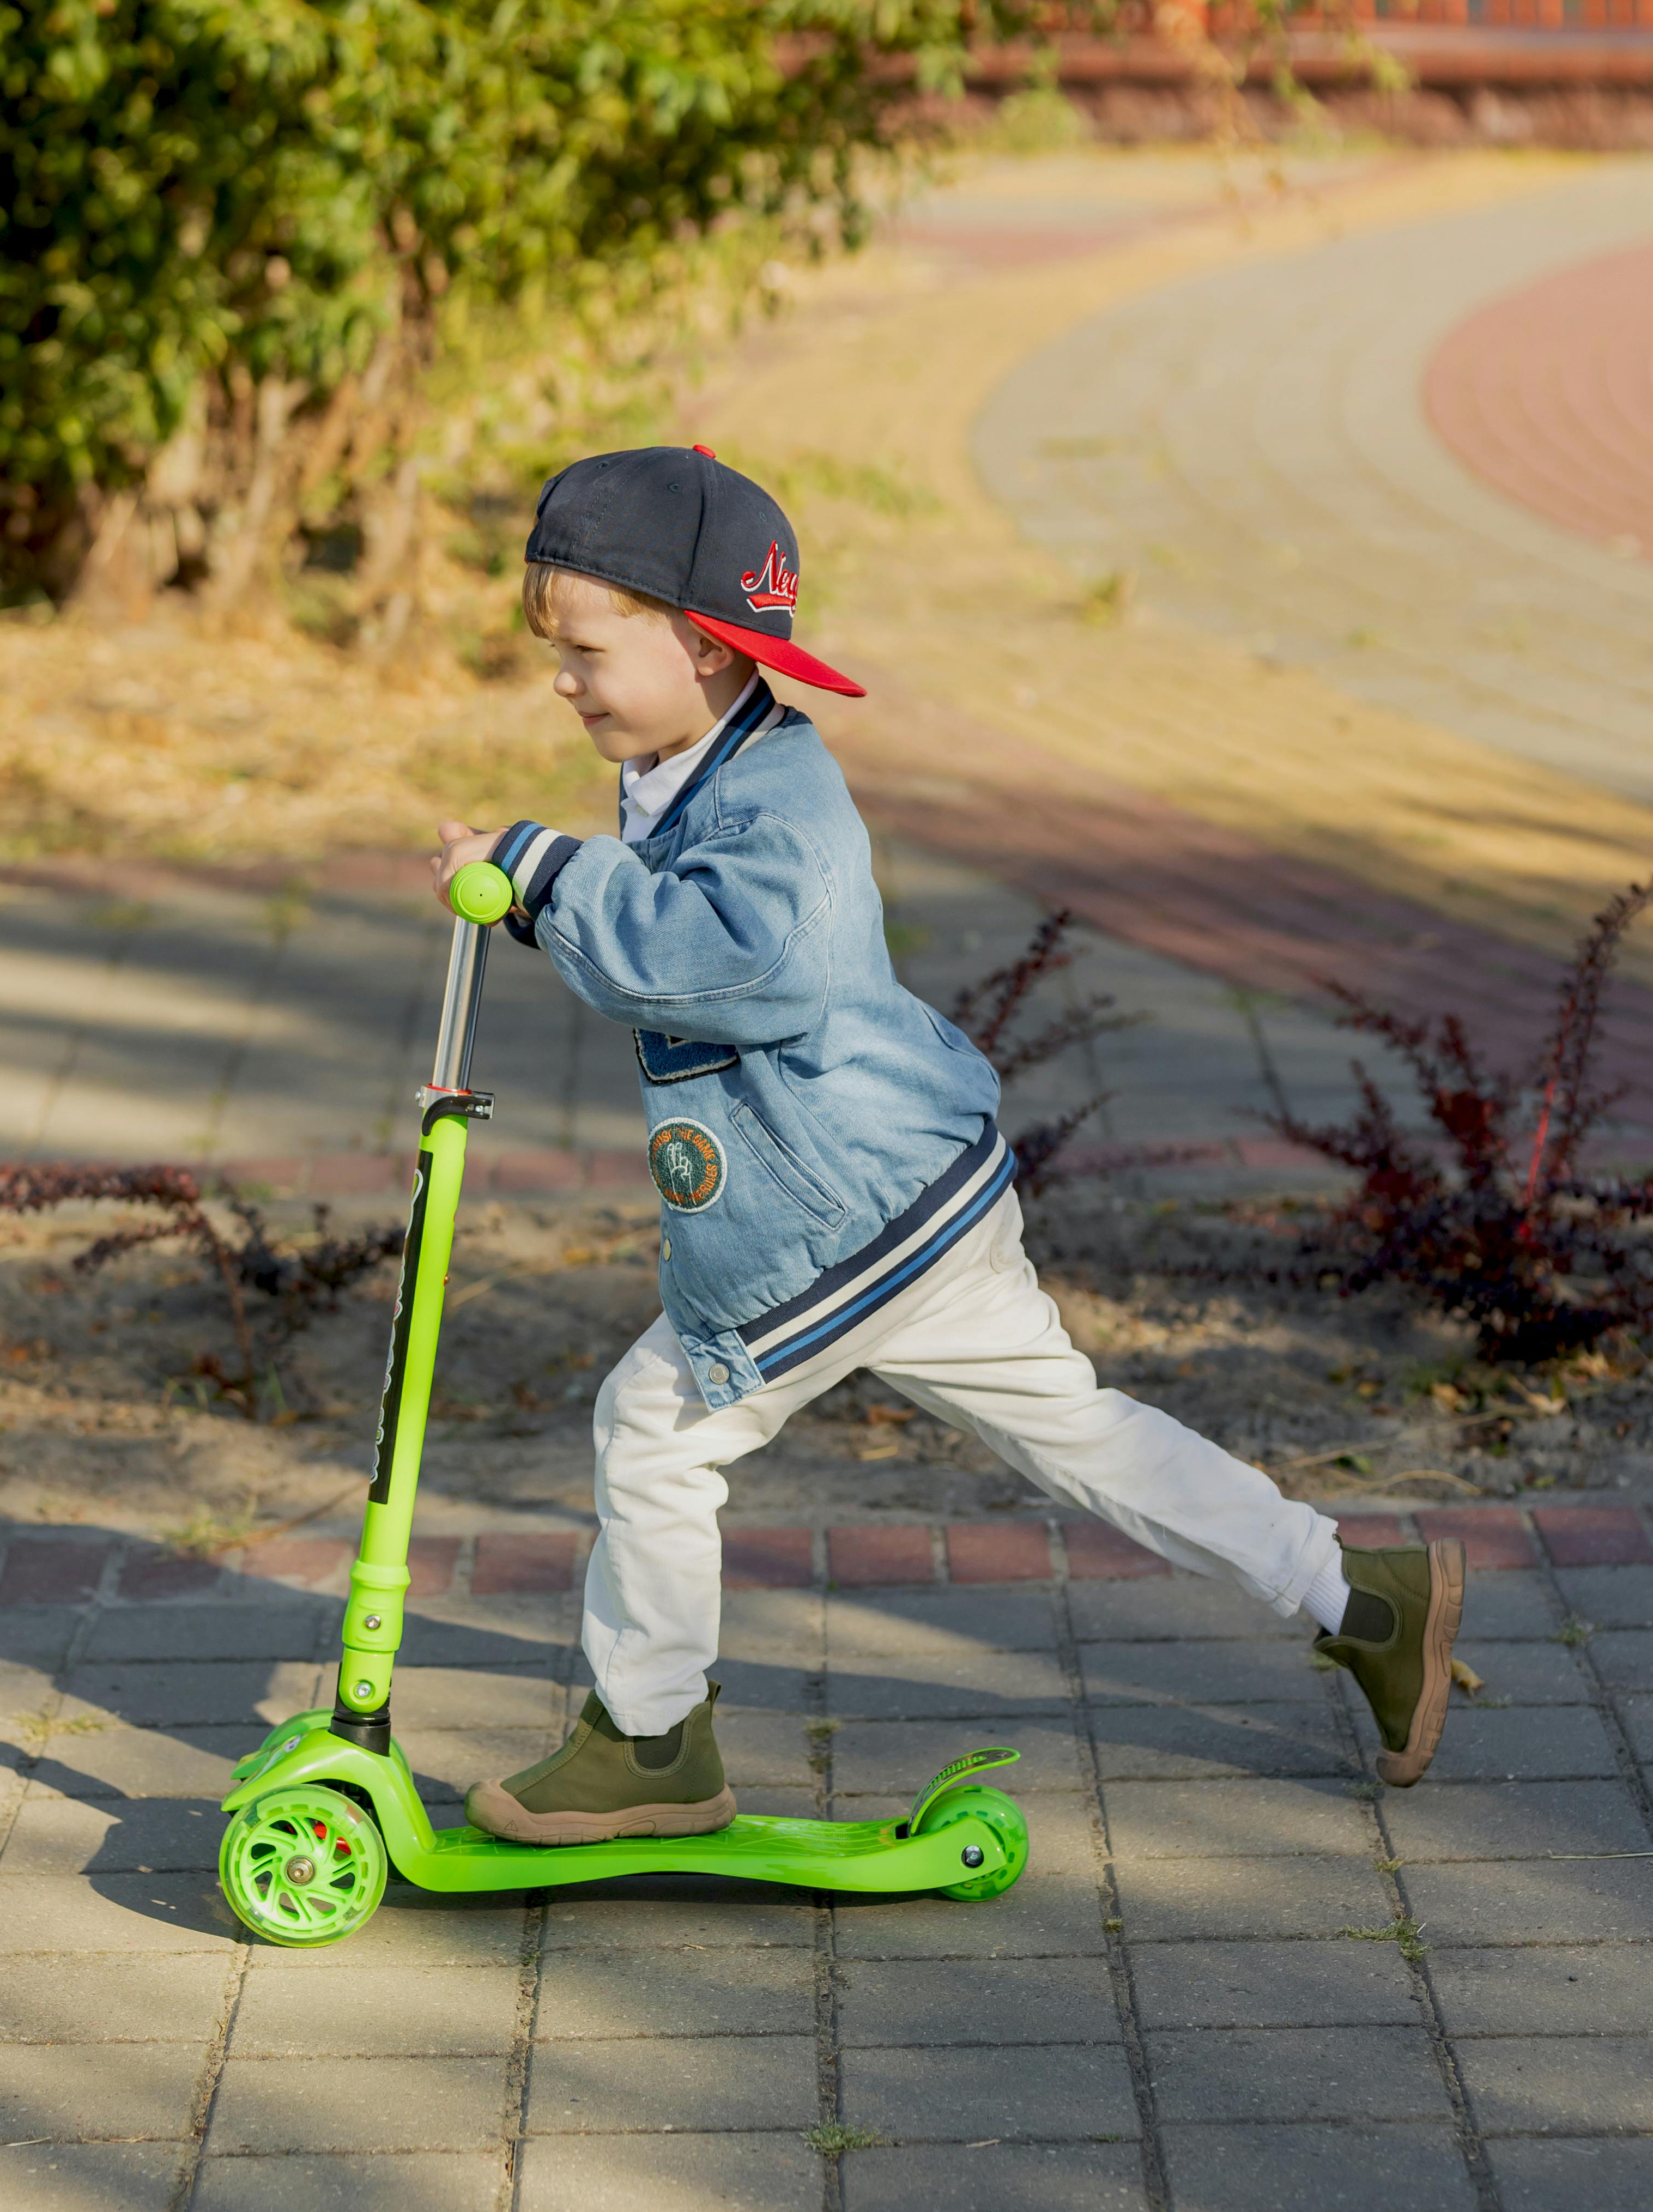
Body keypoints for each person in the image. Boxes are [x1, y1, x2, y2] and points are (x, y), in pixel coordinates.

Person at [431, 445, 1466, 1845]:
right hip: (909, 1199)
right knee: (1079, 1431)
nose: (563, 678)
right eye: (554, 649)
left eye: (587, 648)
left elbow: (717, 958)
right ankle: (1358, 1593)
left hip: (837, 1223)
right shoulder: (696, 760)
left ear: (699, 643)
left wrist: (551, 876)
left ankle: (652, 1743)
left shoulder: (777, 813)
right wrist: (541, 899)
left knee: (654, 1431)